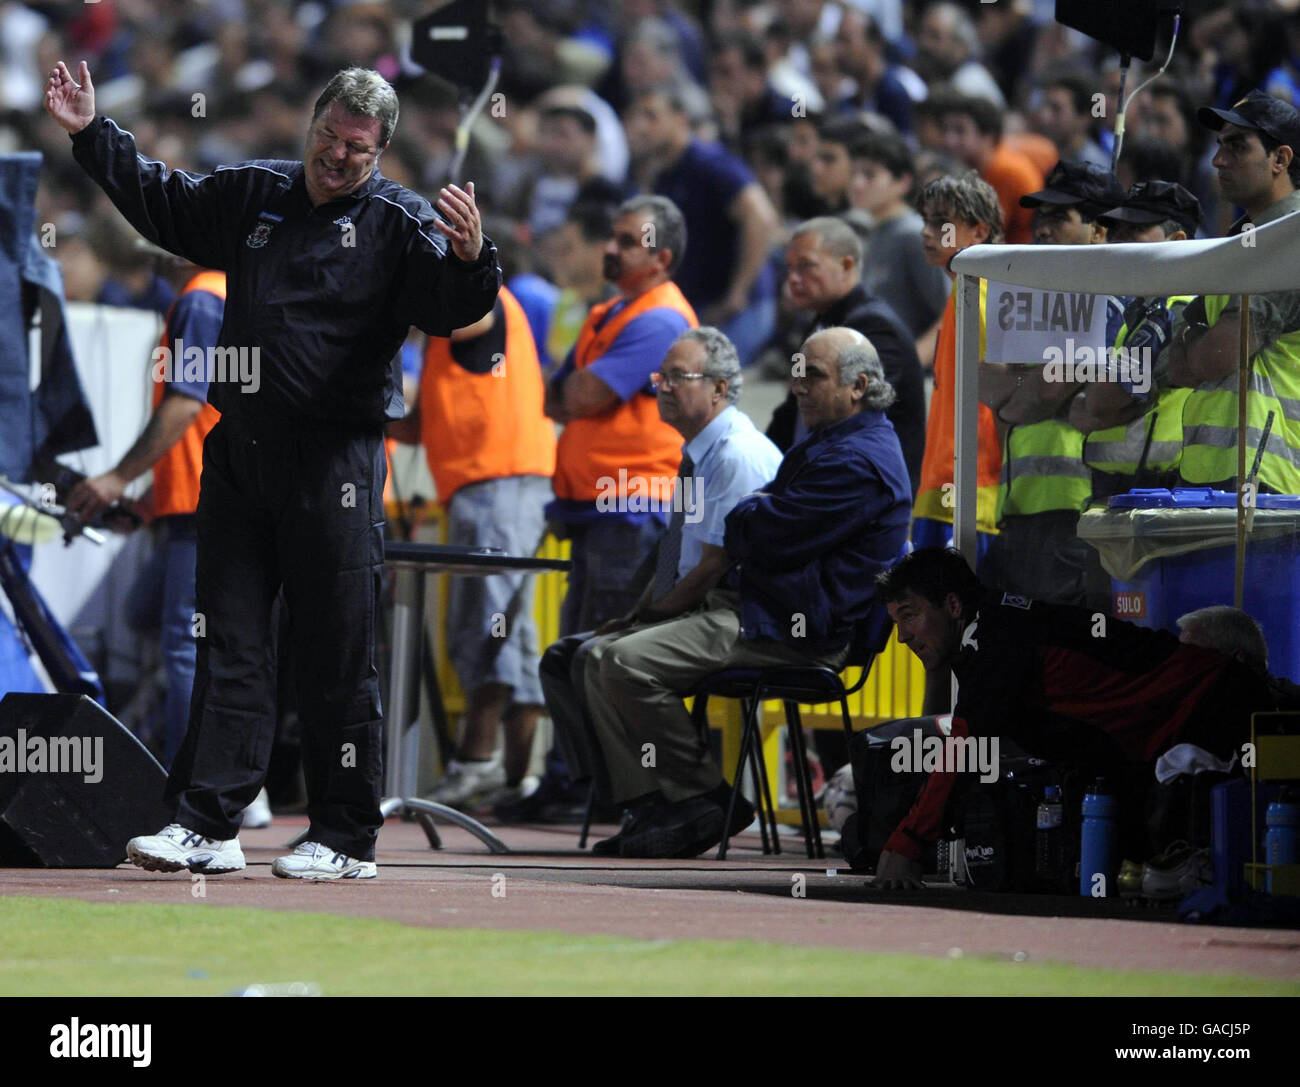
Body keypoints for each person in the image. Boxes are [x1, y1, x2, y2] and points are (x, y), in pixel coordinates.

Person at [47, 62, 501, 879]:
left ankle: (346, 837)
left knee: (337, 654)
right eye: (328, 136)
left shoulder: (402, 223)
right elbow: (162, 199)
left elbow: (449, 310)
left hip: (338, 466)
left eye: (357, 148)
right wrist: (91, 134)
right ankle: (210, 825)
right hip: (241, 457)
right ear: (311, 126)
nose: (337, 155)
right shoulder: (253, 190)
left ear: (383, 149)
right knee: (232, 644)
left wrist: (472, 261)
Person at [585, 327, 912, 859]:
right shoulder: (830, 442)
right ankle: (659, 806)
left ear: (861, 386)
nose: (798, 385)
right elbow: (758, 527)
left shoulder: (857, 460)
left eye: (815, 375)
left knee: (624, 661)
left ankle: (704, 798)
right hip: (765, 610)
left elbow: (758, 533)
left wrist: (755, 516)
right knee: (596, 655)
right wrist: (757, 517)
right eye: (797, 372)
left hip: (795, 629)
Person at [872, 547, 1297, 890]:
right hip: (1184, 723)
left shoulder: (997, 639)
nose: (903, 635)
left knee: (1216, 858)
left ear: (952, 604)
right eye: (896, 621)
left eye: (908, 615)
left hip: (1223, 706)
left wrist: (907, 843)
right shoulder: (992, 631)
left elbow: (965, 745)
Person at [540, 327, 782, 823]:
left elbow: (714, 566)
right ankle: (628, 798)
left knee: (604, 657)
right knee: (564, 657)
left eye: (677, 378)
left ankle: (690, 799)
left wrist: (647, 620)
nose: (662, 389)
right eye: (660, 377)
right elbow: (677, 557)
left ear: (718, 388)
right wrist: (634, 615)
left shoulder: (736, 456)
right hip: (698, 607)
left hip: (740, 613)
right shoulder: (698, 454)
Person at [508, 195, 696, 822]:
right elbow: (554, 398)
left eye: (627, 241)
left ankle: (604, 787)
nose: (611, 249)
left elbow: (581, 394)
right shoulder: (611, 312)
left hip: (633, 505)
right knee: (575, 649)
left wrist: (572, 391)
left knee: (598, 650)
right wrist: (569, 392)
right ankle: (577, 780)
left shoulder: (661, 320)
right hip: (597, 507)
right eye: (611, 238)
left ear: (661, 257)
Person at [66, 259, 264, 827]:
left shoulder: (201, 299)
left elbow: (185, 403)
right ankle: (215, 773)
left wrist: (116, 478)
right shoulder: (230, 289)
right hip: (199, 498)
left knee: (185, 647)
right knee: (149, 616)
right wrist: (150, 500)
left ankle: (191, 795)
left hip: (205, 504)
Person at [387, 284, 556, 811]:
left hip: (499, 483)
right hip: (489, 485)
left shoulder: (478, 301)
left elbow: (459, 315)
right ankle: (516, 777)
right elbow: (420, 426)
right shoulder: (449, 336)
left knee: (486, 627)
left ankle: (476, 762)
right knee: (510, 629)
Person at [978, 161, 1126, 609]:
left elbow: (1033, 394)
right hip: (1019, 507)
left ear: (1099, 231)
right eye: (1041, 218)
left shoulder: (1112, 302)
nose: (1042, 230)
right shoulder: (1027, 298)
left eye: (1060, 218)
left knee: (1064, 651)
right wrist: (1037, 388)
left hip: (1075, 508)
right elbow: (987, 384)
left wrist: (1026, 390)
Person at [1163, 90, 1300, 495]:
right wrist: (1196, 343)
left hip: (1271, 481)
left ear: (1281, 159)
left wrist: (1194, 340)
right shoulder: (1243, 240)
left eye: (1237, 147)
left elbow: (1212, 356)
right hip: (1219, 477)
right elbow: (1180, 365)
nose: (1219, 160)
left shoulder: (1291, 238)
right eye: (1220, 147)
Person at [766, 216, 925, 494]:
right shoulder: (819, 324)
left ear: (846, 265)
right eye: (790, 268)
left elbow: (852, 417)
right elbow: (791, 412)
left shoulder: (874, 328)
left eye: (806, 266)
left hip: (869, 491)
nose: (792, 278)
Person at [624, 85, 781, 364]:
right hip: (701, 306)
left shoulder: (709, 162)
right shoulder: (662, 173)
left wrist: (738, 292)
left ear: (680, 118)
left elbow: (760, 217)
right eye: (635, 118)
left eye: (651, 116)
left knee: (704, 391)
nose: (641, 127)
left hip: (738, 310)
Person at [1073, 180, 1203, 502]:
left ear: (1177, 241)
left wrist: (1091, 402)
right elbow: (1088, 403)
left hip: (1164, 486)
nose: (1120, 241)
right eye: (1119, 230)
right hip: (1110, 486)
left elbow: (1102, 398)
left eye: (1136, 230)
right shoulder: (1132, 313)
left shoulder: (1184, 309)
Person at [847, 131, 950, 344]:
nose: (857, 184)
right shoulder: (874, 231)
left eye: (869, 175)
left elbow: (953, 312)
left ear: (903, 182)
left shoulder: (914, 235)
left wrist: (911, 364)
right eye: (853, 174)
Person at [932, 87, 1043, 245]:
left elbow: (984, 232)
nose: (950, 140)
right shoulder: (982, 167)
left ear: (988, 135)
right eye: (947, 130)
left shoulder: (1005, 169)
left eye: (960, 131)